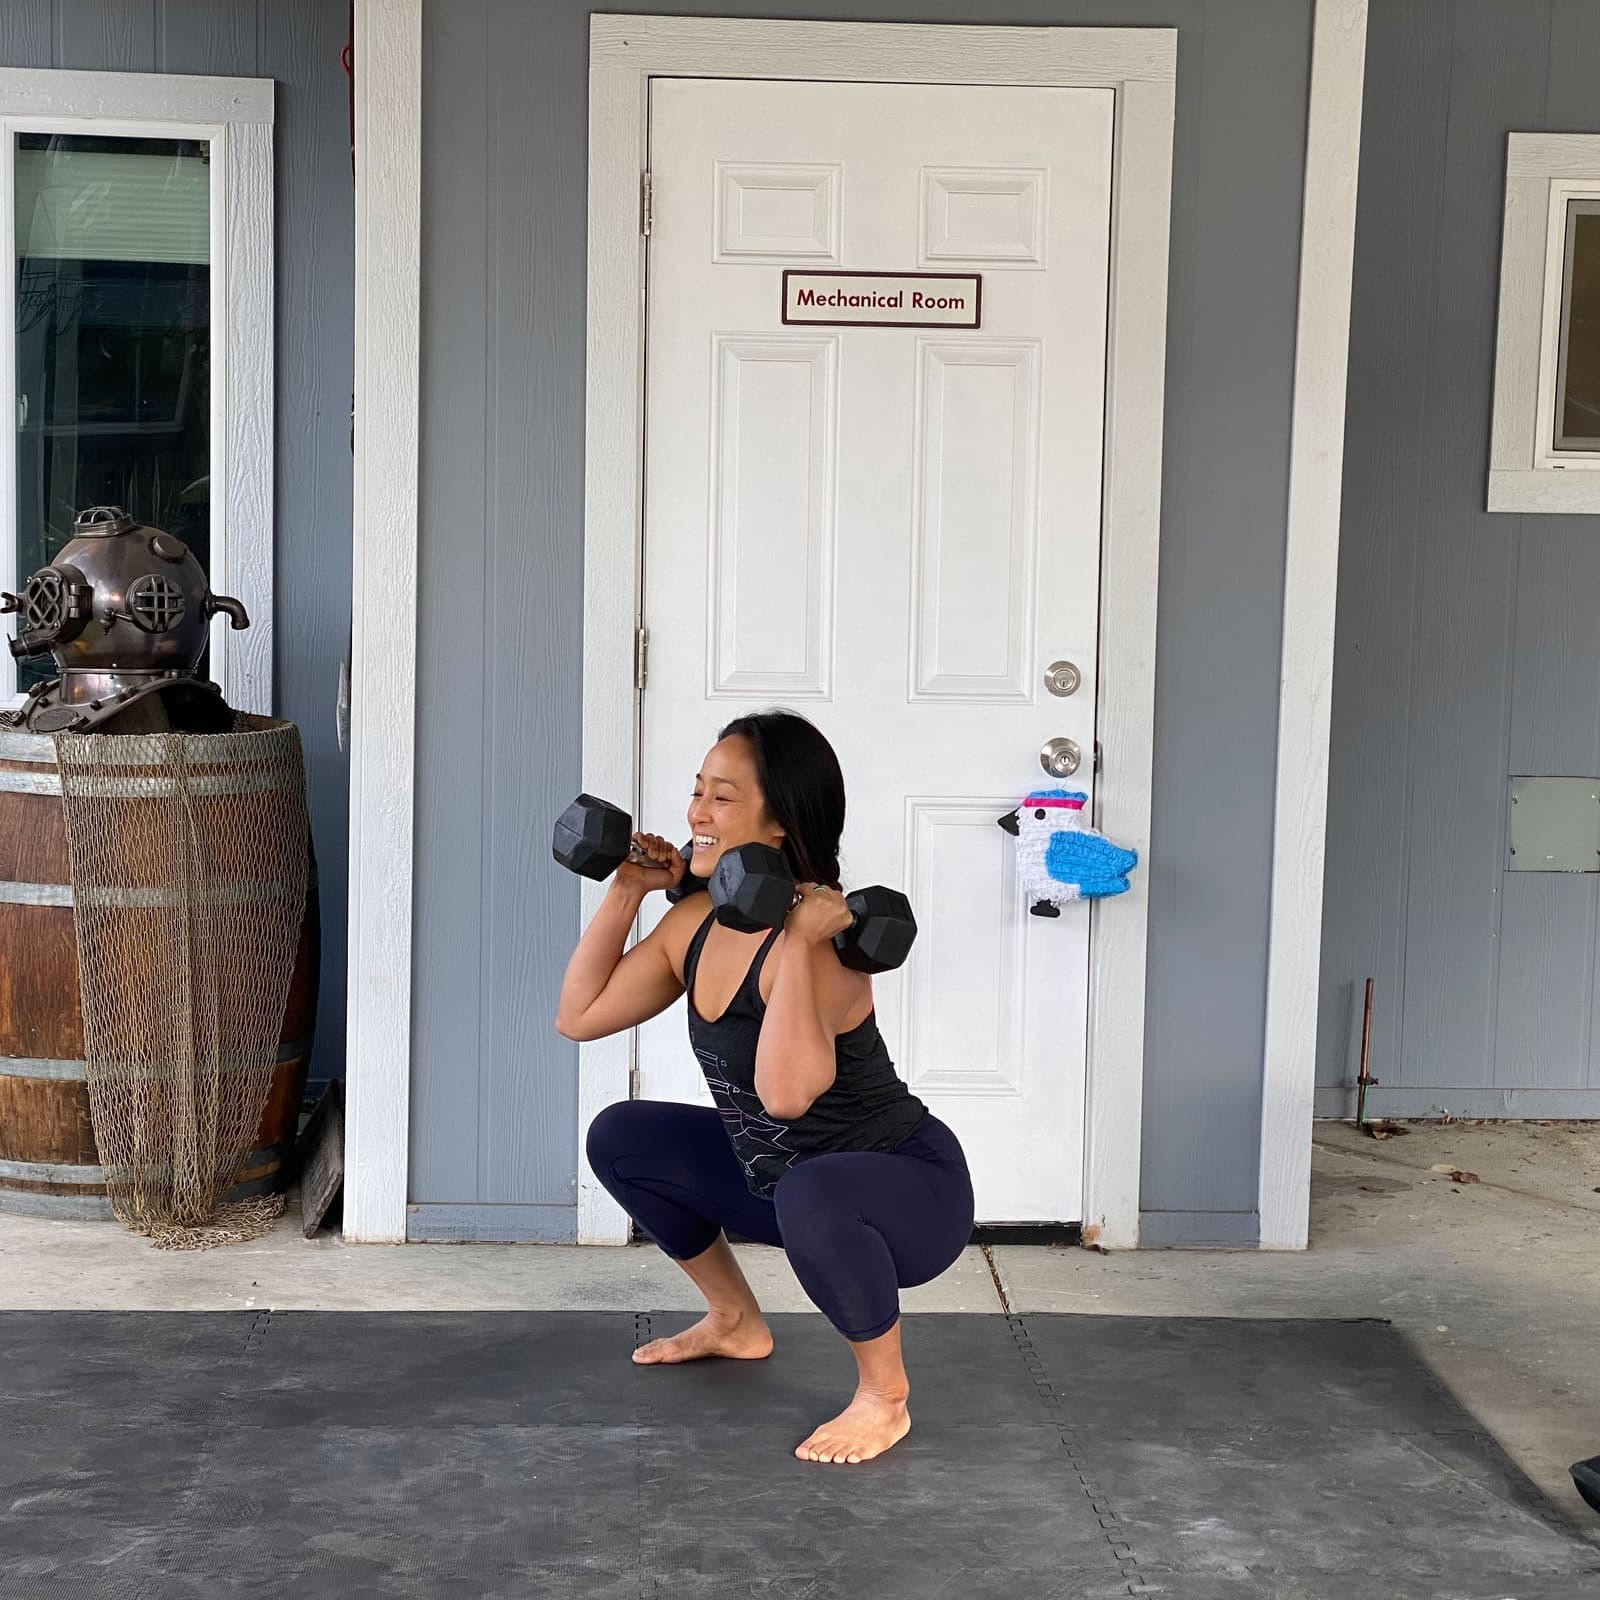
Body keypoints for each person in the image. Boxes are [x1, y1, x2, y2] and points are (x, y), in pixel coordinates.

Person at [557, 709, 974, 1465]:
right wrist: (627, 888)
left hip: (904, 1195)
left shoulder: (827, 944)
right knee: (623, 1136)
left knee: (811, 1189)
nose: (695, 815)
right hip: (782, 1183)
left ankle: (885, 1397)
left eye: (721, 797)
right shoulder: (694, 923)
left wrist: (803, 944)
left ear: (779, 824)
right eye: (696, 793)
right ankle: (734, 1321)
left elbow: (784, 1096)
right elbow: (580, 1016)